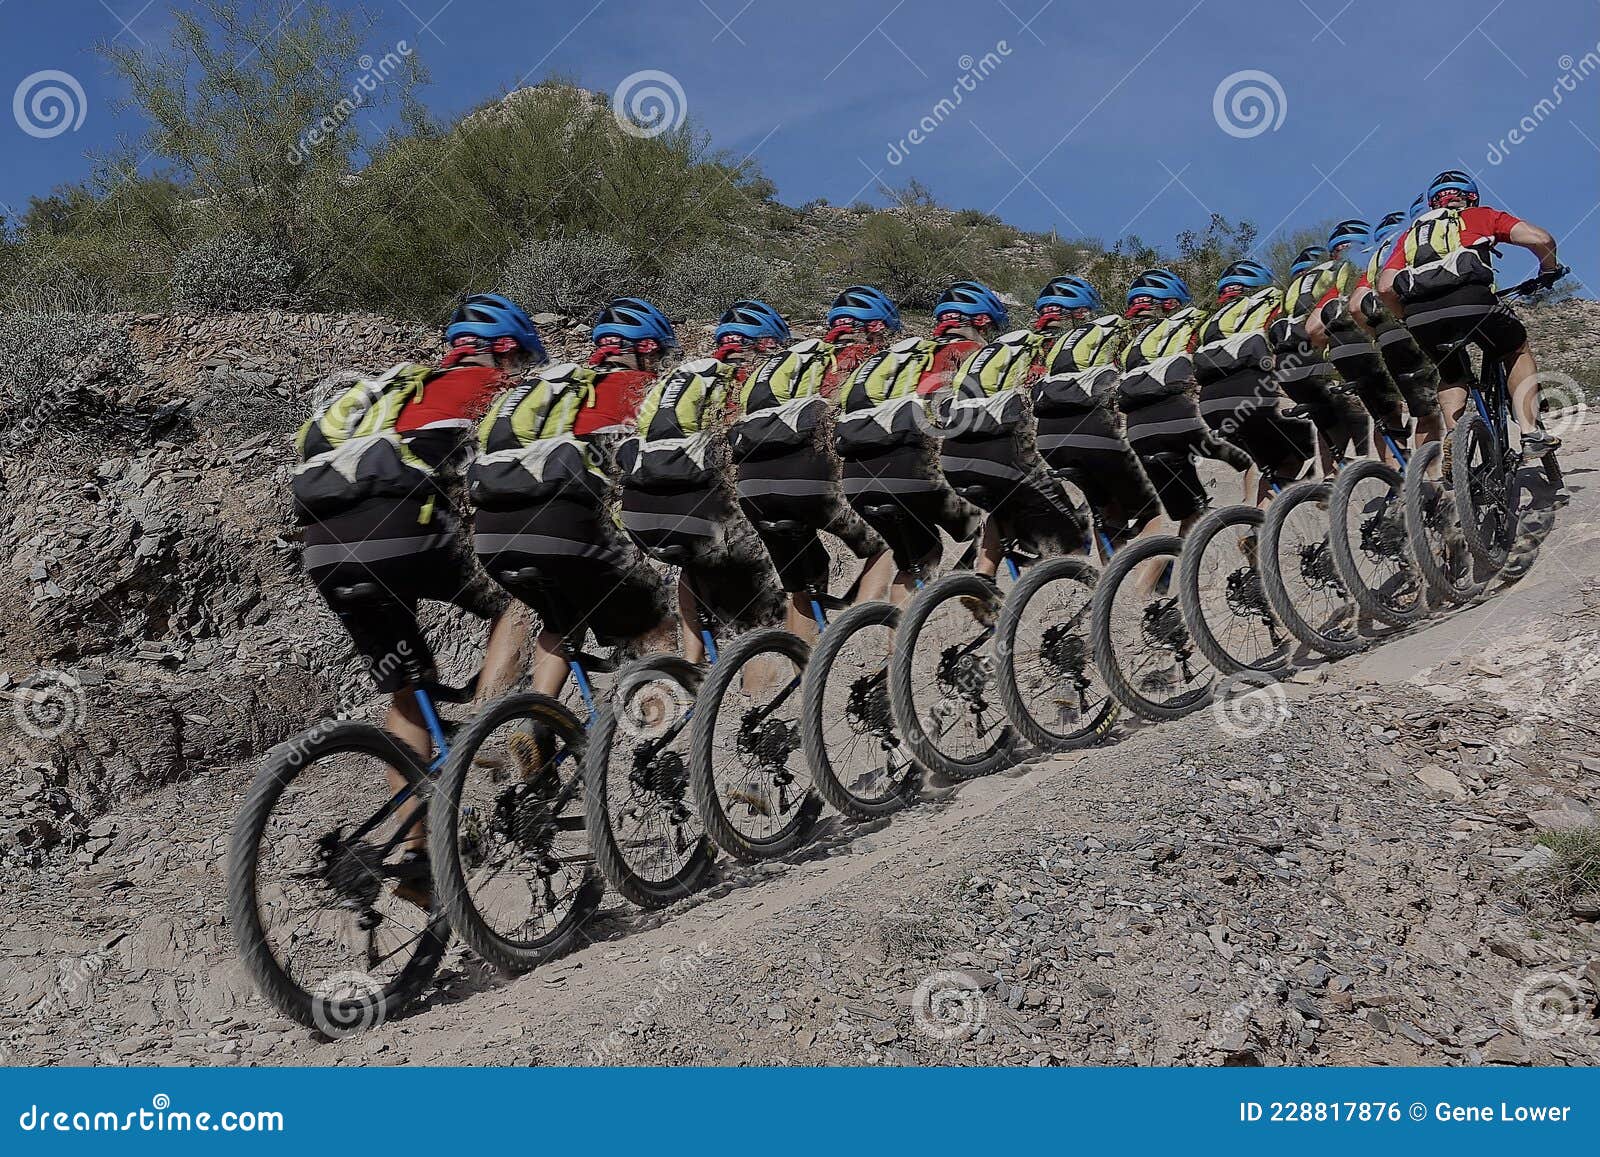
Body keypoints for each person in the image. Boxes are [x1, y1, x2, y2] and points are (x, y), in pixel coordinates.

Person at [293, 293, 540, 897]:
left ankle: (414, 855)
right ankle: (494, 721)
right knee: (524, 598)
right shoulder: (490, 391)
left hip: (325, 552)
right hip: (403, 535)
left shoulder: (390, 391)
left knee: (408, 691)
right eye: (522, 361)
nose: (523, 374)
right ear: (504, 351)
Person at [470, 299, 680, 706]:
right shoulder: (637, 391)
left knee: (562, 621)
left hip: (492, 533)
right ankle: (659, 735)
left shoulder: (550, 388)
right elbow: (645, 466)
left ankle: (531, 725)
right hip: (564, 527)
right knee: (656, 618)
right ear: (646, 349)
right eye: (660, 356)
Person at [617, 306, 784, 663]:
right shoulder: (741, 383)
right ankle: (762, 687)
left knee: (691, 566)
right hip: (694, 507)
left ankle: (689, 666)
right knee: (760, 596)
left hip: (640, 513)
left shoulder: (677, 379)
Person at [723, 295, 895, 639]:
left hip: (751, 493)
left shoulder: (760, 378)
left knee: (803, 581)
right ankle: (854, 636)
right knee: (886, 544)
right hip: (806, 485)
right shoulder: (847, 361)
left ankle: (802, 667)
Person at [1379, 168, 1564, 458]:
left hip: (1420, 315)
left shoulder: (1411, 235)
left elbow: (1386, 287)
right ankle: (1530, 433)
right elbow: (1541, 238)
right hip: (1472, 302)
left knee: (1450, 373)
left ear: (1432, 204)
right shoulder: (1482, 215)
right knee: (1516, 348)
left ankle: (1457, 438)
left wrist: (1406, 316)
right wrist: (1548, 269)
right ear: (1472, 198)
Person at [834, 282, 994, 604]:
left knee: (916, 559)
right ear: (982, 323)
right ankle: (983, 600)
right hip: (908, 471)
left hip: (855, 481)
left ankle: (894, 645)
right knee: (987, 520)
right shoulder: (957, 353)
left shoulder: (875, 366)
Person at [938, 283, 1091, 574]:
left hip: (952, 460)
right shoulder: (1029, 349)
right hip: (999, 453)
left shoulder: (972, 359)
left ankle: (983, 575)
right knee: (1070, 528)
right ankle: (1087, 591)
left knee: (999, 509)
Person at [1029, 275, 1166, 557]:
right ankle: (1144, 593)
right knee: (1153, 509)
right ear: (1081, 311)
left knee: (1104, 509)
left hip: (1048, 440)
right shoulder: (1111, 331)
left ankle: (1108, 589)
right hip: (1092, 431)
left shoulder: (1045, 350)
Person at [1115, 269, 1254, 534]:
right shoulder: (1191, 323)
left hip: (1138, 434)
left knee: (1188, 516)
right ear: (1173, 303)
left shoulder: (1128, 346)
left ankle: (1167, 572)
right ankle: (1254, 533)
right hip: (1180, 422)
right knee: (1252, 459)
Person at [1192, 260, 1317, 504]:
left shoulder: (1210, 323)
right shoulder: (1272, 302)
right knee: (1306, 441)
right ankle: (1326, 488)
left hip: (1210, 406)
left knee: (1262, 456)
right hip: (1249, 394)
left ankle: (1251, 519)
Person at [1301, 219, 1415, 466]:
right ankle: (1403, 474)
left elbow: (1313, 327)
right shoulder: (1362, 270)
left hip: (1333, 356)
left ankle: (1335, 474)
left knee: (1371, 415)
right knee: (1389, 414)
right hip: (1371, 346)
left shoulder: (1325, 279)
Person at [1273, 245, 1374, 474]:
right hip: (1316, 357)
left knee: (1324, 417)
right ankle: (1366, 468)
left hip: (1286, 367)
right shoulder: (1330, 277)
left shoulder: (1289, 295)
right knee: (1355, 410)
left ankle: (1329, 475)